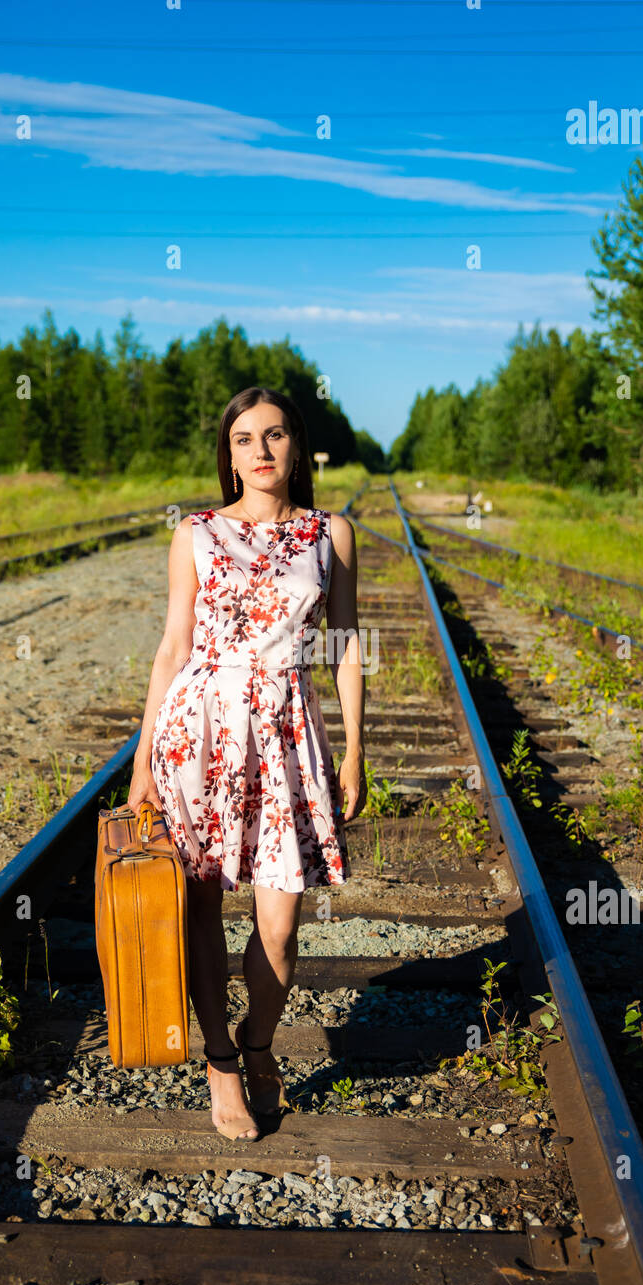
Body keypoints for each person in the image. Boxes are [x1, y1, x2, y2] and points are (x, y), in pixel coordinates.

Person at [128, 386, 367, 1141]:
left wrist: (356, 749)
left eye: (273, 436)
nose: (260, 452)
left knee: (280, 923)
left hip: (288, 732)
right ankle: (221, 1059)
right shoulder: (195, 534)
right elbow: (172, 649)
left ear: (297, 444)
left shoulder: (332, 533)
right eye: (243, 440)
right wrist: (141, 765)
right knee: (201, 905)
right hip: (198, 730)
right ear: (228, 455)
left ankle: (260, 1040)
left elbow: (346, 642)